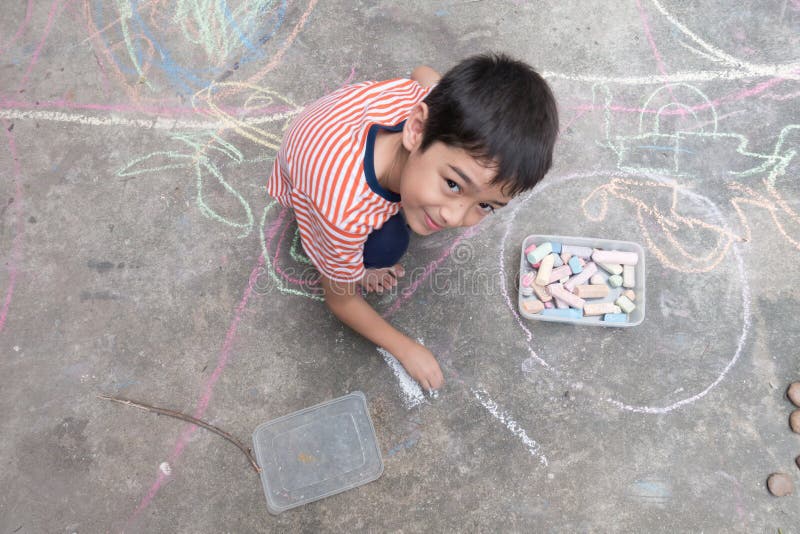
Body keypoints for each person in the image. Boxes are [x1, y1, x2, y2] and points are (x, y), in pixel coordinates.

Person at [267, 53, 559, 392]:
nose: (454, 216)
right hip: (308, 165)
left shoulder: (434, 107)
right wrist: (406, 348)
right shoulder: (343, 213)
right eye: (453, 184)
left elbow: (423, 73)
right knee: (387, 246)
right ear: (416, 129)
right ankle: (364, 264)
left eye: (485, 205)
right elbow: (341, 300)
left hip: (337, 121)